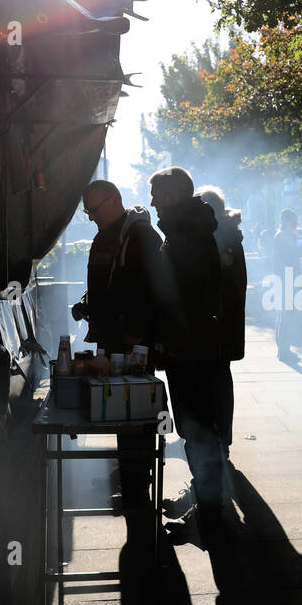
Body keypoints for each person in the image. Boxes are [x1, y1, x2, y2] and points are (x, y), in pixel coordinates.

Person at [70, 179, 165, 506]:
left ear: (113, 201)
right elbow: (107, 283)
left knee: (135, 413)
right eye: (87, 211)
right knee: (118, 409)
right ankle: (129, 475)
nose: (91, 216)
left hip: (133, 343)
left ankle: (138, 485)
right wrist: (87, 304)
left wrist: (138, 333)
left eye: (93, 209)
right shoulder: (106, 236)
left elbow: (156, 288)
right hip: (110, 339)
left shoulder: (142, 237)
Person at [148, 167, 229, 533]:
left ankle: (211, 515)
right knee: (198, 430)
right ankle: (207, 504)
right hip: (195, 345)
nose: (152, 203)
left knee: (197, 431)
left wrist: (171, 337)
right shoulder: (189, 230)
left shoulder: (184, 236)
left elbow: (183, 297)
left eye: (156, 196)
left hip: (189, 348)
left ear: (171, 197)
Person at [196, 186, 246, 461]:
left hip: (216, 324)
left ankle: (219, 440)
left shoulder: (221, 236)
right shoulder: (225, 233)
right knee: (219, 383)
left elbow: (222, 284)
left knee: (216, 384)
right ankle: (219, 439)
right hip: (221, 324)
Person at [271, 209, 300, 361]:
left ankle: (283, 349)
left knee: (283, 315)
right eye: (295, 220)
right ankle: (283, 350)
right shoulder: (284, 237)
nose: (297, 224)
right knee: (286, 315)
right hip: (286, 279)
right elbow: (289, 261)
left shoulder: (284, 235)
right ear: (288, 221)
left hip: (284, 279)